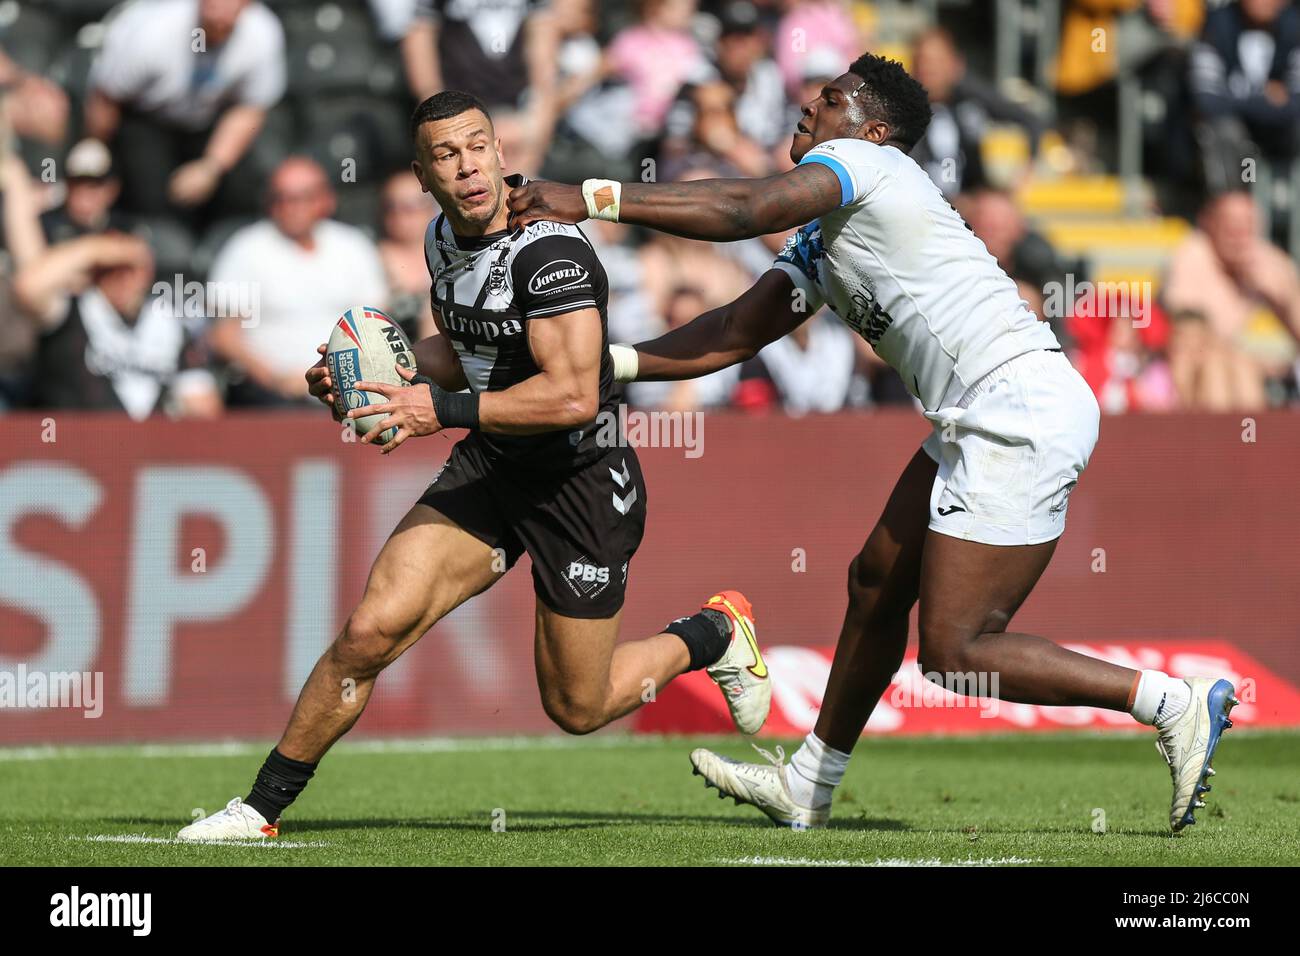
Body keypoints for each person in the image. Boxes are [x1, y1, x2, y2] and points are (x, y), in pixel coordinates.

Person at [508, 53, 1238, 833]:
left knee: (956, 651)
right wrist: (609, 364)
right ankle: (809, 786)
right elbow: (733, 331)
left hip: (1016, 408)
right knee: (875, 581)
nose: (809, 107)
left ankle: (1172, 702)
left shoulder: (863, 165)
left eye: (832, 99)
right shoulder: (828, 235)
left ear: (874, 130)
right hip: (981, 412)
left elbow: (741, 209)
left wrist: (588, 197)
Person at [175, 91, 770, 842]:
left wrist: (435, 411)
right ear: (422, 176)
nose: (468, 167)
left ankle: (715, 632)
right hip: (494, 464)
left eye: (478, 147)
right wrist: (372, 378)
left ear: (499, 150)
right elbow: (464, 351)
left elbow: (573, 395)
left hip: (579, 482)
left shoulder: (551, 252)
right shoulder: (439, 239)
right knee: (371, 630)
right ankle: (259, 810)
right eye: (446, 156)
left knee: (578, 707)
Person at [206, 157, 388, 407]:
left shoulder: (354, 246)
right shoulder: (245, 249)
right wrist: (277, 380)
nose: (292, 206)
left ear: (326, 199)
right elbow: (224, 337)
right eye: (281, 197)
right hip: (270, 395)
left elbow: (375, 326)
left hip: (351, 388)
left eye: (303, 196)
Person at [84, 0, 286, 220]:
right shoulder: (153, 32)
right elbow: (107, 97)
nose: (219, 13)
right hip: (147, 118)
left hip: (210, 118)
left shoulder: (262, 33)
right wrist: (96, 145)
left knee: (242, 190)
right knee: (153, 200)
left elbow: (249, 109)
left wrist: (211, 167)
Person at [12, 233, 221, 419]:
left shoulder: (169, 322)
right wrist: (95, 249)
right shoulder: (71, 311)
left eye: (133, 269)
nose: (125, 279)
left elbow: (204, 406)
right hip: (71, 446)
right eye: (113, 269)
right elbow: (28, 286)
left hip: (147, 451)